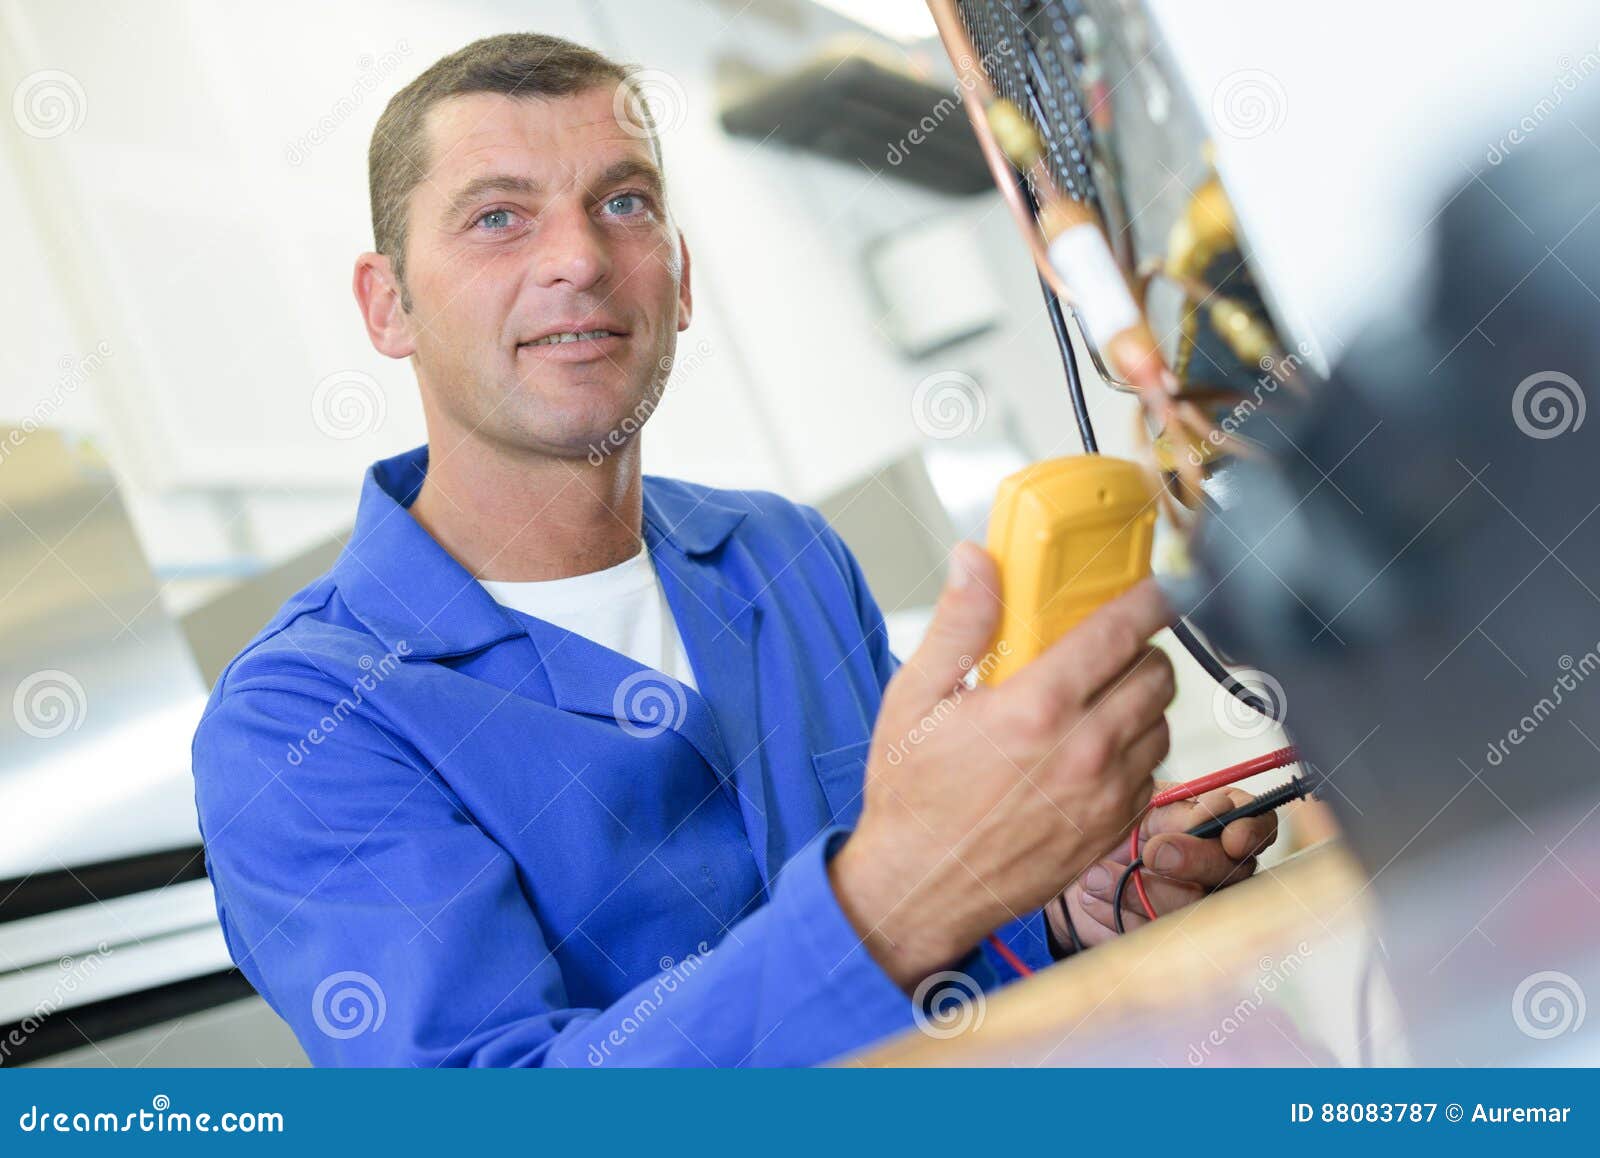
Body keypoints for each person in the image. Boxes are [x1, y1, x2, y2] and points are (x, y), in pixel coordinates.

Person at [191, 32, 1275, 1067]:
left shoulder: (783, 556)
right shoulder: (297, 726)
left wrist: (1067, 908)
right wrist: (894, 896)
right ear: (389, 307)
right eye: (496, 219)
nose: (577, 258)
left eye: (622, 203)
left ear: (680, 276)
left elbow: (948, 949)